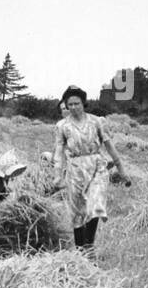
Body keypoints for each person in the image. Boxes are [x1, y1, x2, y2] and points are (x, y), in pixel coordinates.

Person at [53, 85, 131, 254]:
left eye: (77, 103)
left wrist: (121, 168)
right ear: (66, 105)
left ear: (83, 103)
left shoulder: (97, 121)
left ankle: (89, 245)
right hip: (74, 168)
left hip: (96, 166)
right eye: (70, 104)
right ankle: (81, 250)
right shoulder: (62, 126)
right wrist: (57, 175)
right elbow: (59, 152)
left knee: (95, 204)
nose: (73, 107)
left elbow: (109, 145)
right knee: (77, 212)